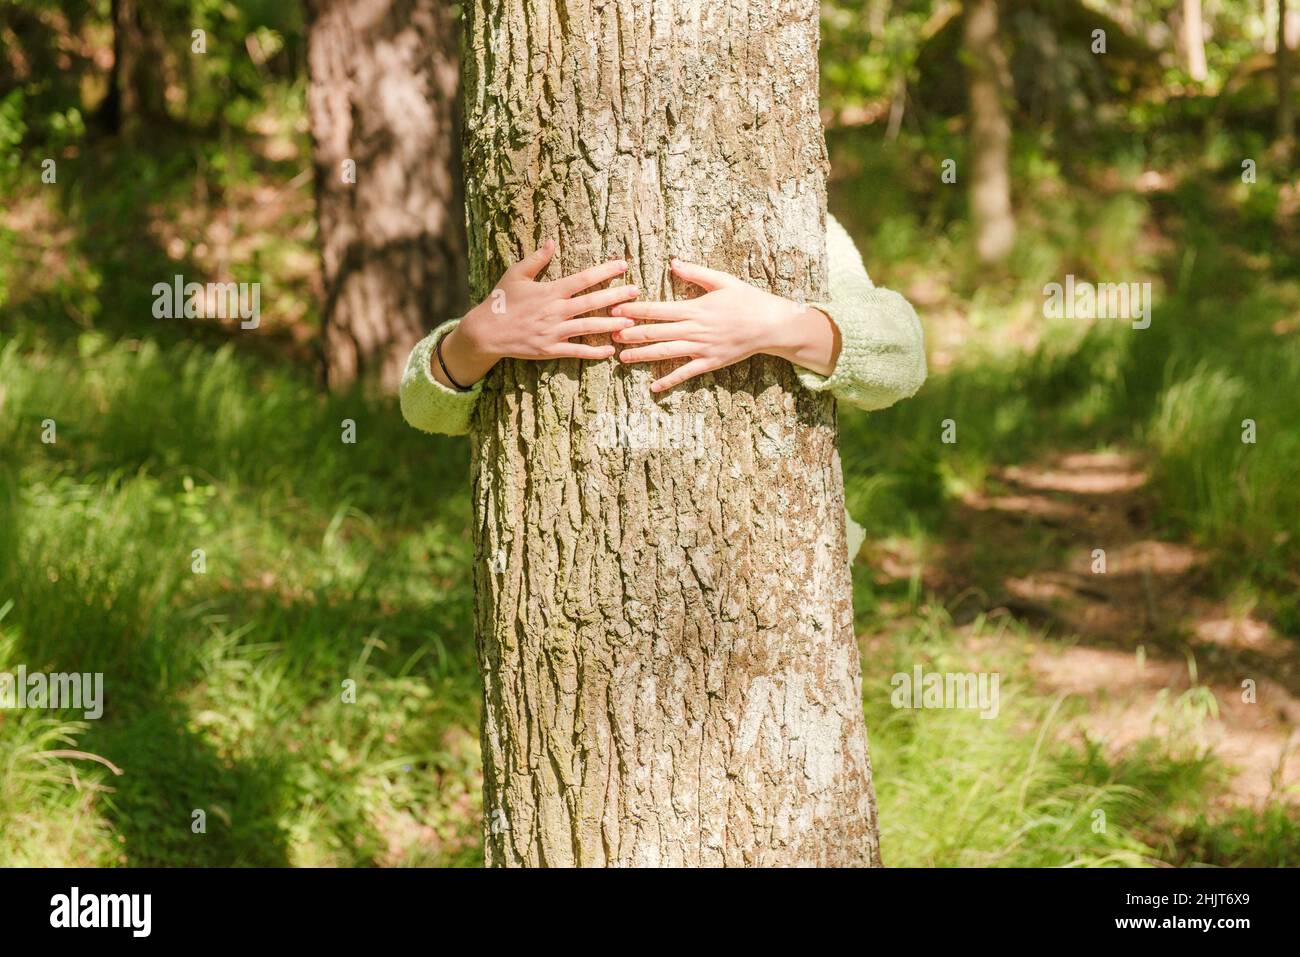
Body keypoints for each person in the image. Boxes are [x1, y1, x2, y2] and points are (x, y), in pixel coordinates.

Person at [399, 214, 927, 561]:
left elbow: (902, 360)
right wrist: (475, 338)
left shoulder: (795, 210)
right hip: (559, 563)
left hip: (759, 562)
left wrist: (779, 326)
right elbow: (423, 409)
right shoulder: (527, 218)